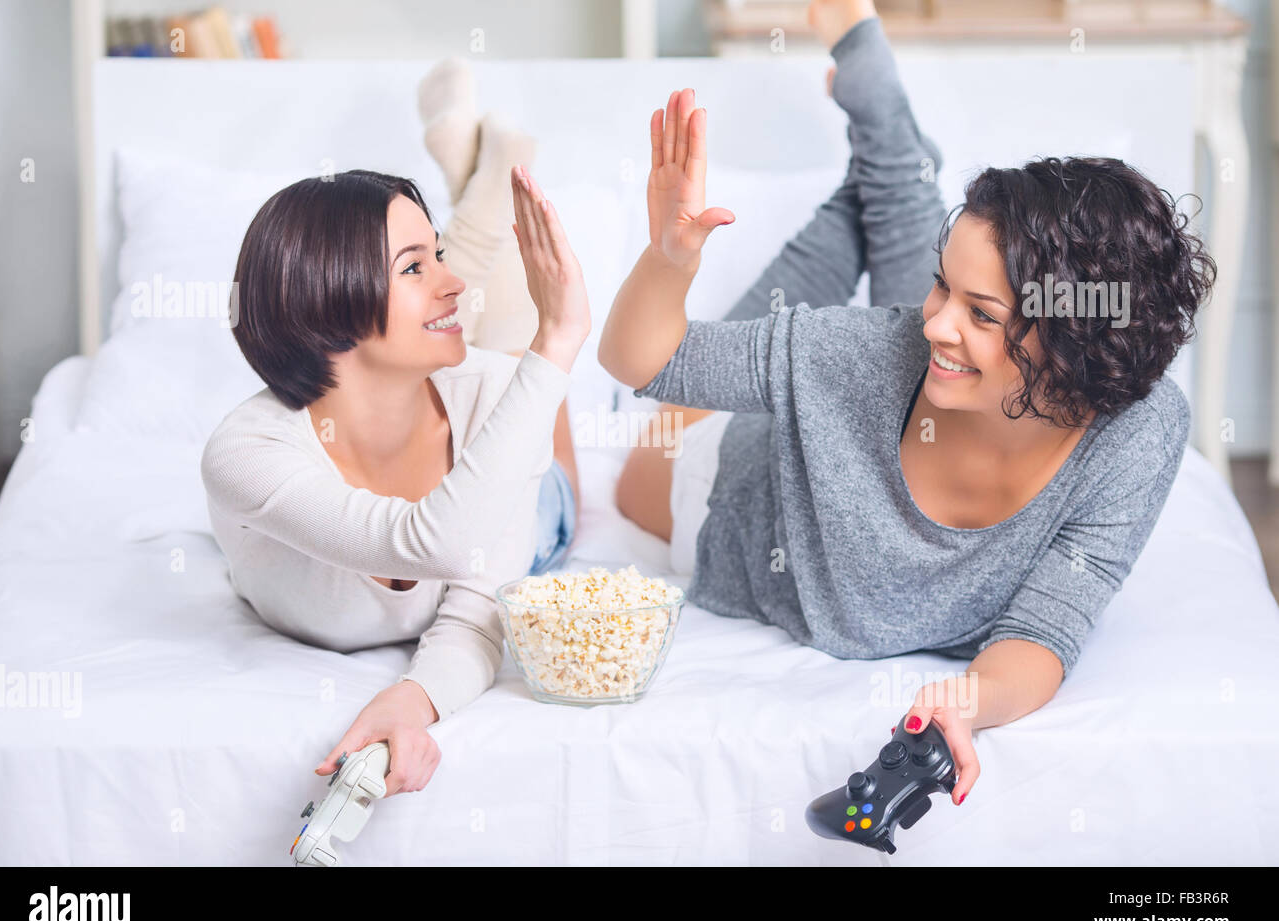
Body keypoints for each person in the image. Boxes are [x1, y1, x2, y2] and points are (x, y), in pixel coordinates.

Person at [600, 1, 1215, 807]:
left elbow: (1047, 627)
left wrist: (967, 704)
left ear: (1081, 345)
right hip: (729, 480)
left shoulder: (1141, 428)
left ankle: (888, 159)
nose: (938, 321)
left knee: (921, 342)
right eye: (942, 285)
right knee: (667, 452)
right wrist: (670, 256)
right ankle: (889, 156)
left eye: (983, 311)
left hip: (919, 395)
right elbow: (645, 360)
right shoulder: (872, 351)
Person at [201, 155, 591, 796]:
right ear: (323, 300)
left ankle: (480, 188)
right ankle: (478, 187)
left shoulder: (495, 390)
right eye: (414, 266)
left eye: (439, 255)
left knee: (551, 464)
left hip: (517, 495)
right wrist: (549, 344)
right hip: (468, 454)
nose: (454, 280)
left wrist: (552, 347)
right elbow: (433, 543)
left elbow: (475, 616)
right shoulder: (246, 453)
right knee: (515, 358)